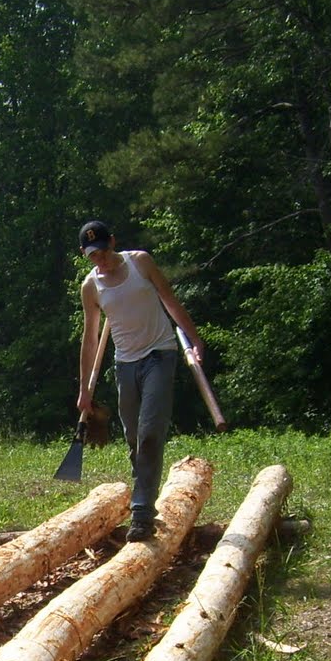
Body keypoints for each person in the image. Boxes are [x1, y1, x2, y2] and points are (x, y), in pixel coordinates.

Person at [76, 219, 205, 541]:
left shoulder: (140, 262)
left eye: (104, 251)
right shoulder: (91, 286)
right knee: (133, 437)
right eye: (93, 256)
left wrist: (194, 338)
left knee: (149, 433)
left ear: (113, 242)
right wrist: (84, 388)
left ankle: (142, 511)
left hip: (160, 355)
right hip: (125, 365)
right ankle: (144, 491)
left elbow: (170, 300)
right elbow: (90, 339)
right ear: (85, 254)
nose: (101, 260)